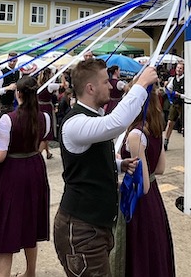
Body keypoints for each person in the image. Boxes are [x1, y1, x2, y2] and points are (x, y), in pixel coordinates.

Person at [53, 59, 156, 276]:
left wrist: (118, 165)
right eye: (105, 81)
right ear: (90, 88)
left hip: (93, 227)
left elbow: (87, 161)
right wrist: (141, 85)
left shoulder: (92, 118)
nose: (111, 85)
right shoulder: (75, 123)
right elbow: (116, 123)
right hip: (82, 229)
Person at [0, 74, 48, 277]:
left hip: (12, 172)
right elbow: (42, 143)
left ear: (19, 94)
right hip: (35, 168)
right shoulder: (45, 117)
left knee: (6, 228)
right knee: (30, 222)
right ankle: (30, 272)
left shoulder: (8, 119)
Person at [117, 75, 176, 277]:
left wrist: (120, 168)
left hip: (137, 203)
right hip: (154, 201)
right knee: (154, 249)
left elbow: (142, 185)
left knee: (139, 250)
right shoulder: (155, 128)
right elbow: (159, 169)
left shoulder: (135, 135)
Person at [36, 69, 60, 160]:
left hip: (38, 108)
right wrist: (61, 76)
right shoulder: (50, 86)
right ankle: (38, 155)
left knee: (42, 131)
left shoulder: (37, 85)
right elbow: (65, 85)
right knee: (45, 132)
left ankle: (48, 152)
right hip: (46, 109)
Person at [163, 60, 185, 151]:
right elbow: (168, 91)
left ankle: (190, 144)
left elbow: (189, 95)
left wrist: (179, 95)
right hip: (175, 103)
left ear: (183, 70)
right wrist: (165, 86)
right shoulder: (172, 79)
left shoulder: (186, 80)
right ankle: (166, 141)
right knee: (170, 122)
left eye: (180, 68)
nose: (178, 70)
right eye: (177, 68)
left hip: (184, 104)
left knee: (185, 125)